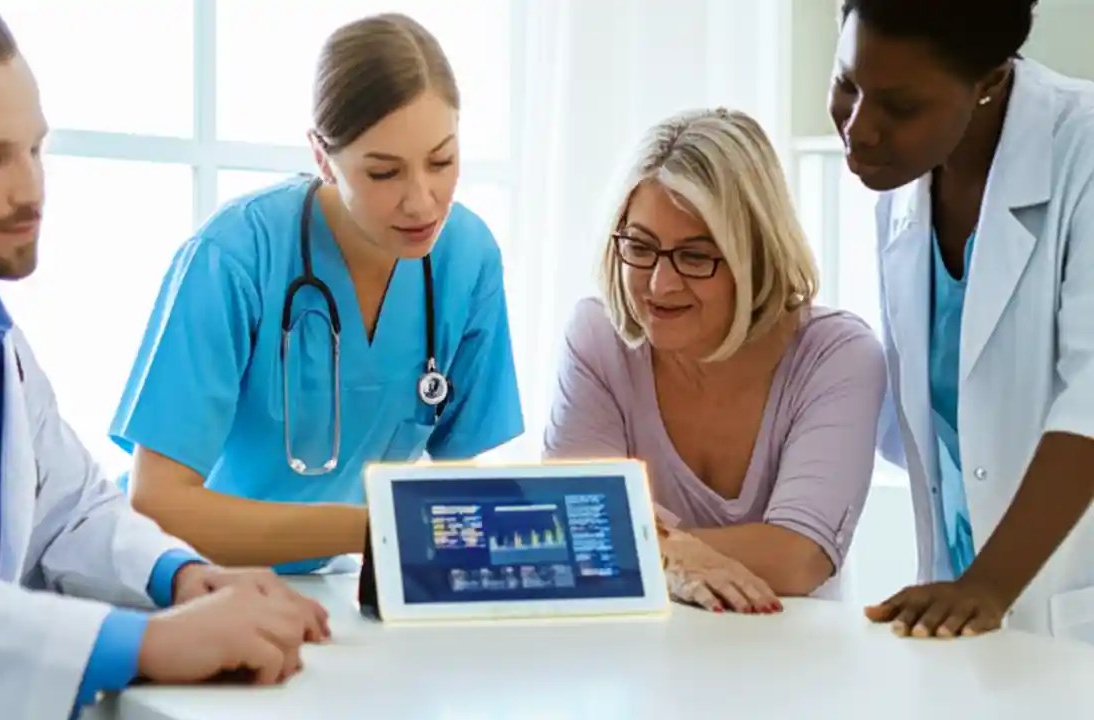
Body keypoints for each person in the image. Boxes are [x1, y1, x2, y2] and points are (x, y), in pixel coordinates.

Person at [0, 2, 329, 718]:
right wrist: (145, 645)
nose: (30, 190)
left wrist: (180, 577)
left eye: (34, 149)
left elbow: (71, 511)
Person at [109, 13, 524, 574]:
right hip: (192, 578)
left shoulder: (467, 257)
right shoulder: (234, 258)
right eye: (384, 173)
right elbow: (157, 505)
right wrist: (376, 528)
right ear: (322, 157)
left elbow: (457, 471)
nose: (423, 203)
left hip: (340, 583)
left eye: (442, 161)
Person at [543, 109, 888, 613]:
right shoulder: (599, 338)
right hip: (628, 660)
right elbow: (574, 529)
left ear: (757, 254)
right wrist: (664, 556)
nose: (660, 285)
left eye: (696, 256)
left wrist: (659, 548)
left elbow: (798, 559)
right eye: (640, 247)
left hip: (787, 666)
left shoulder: (838, 357)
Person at [830, 0, 1094, 642]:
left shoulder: (1081, 152)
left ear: (990, 83)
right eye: (847, 85)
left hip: (1055, 602)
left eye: (899, 106)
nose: (859, 130)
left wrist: (988, 586)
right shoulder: (902, 176)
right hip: (959, 592)